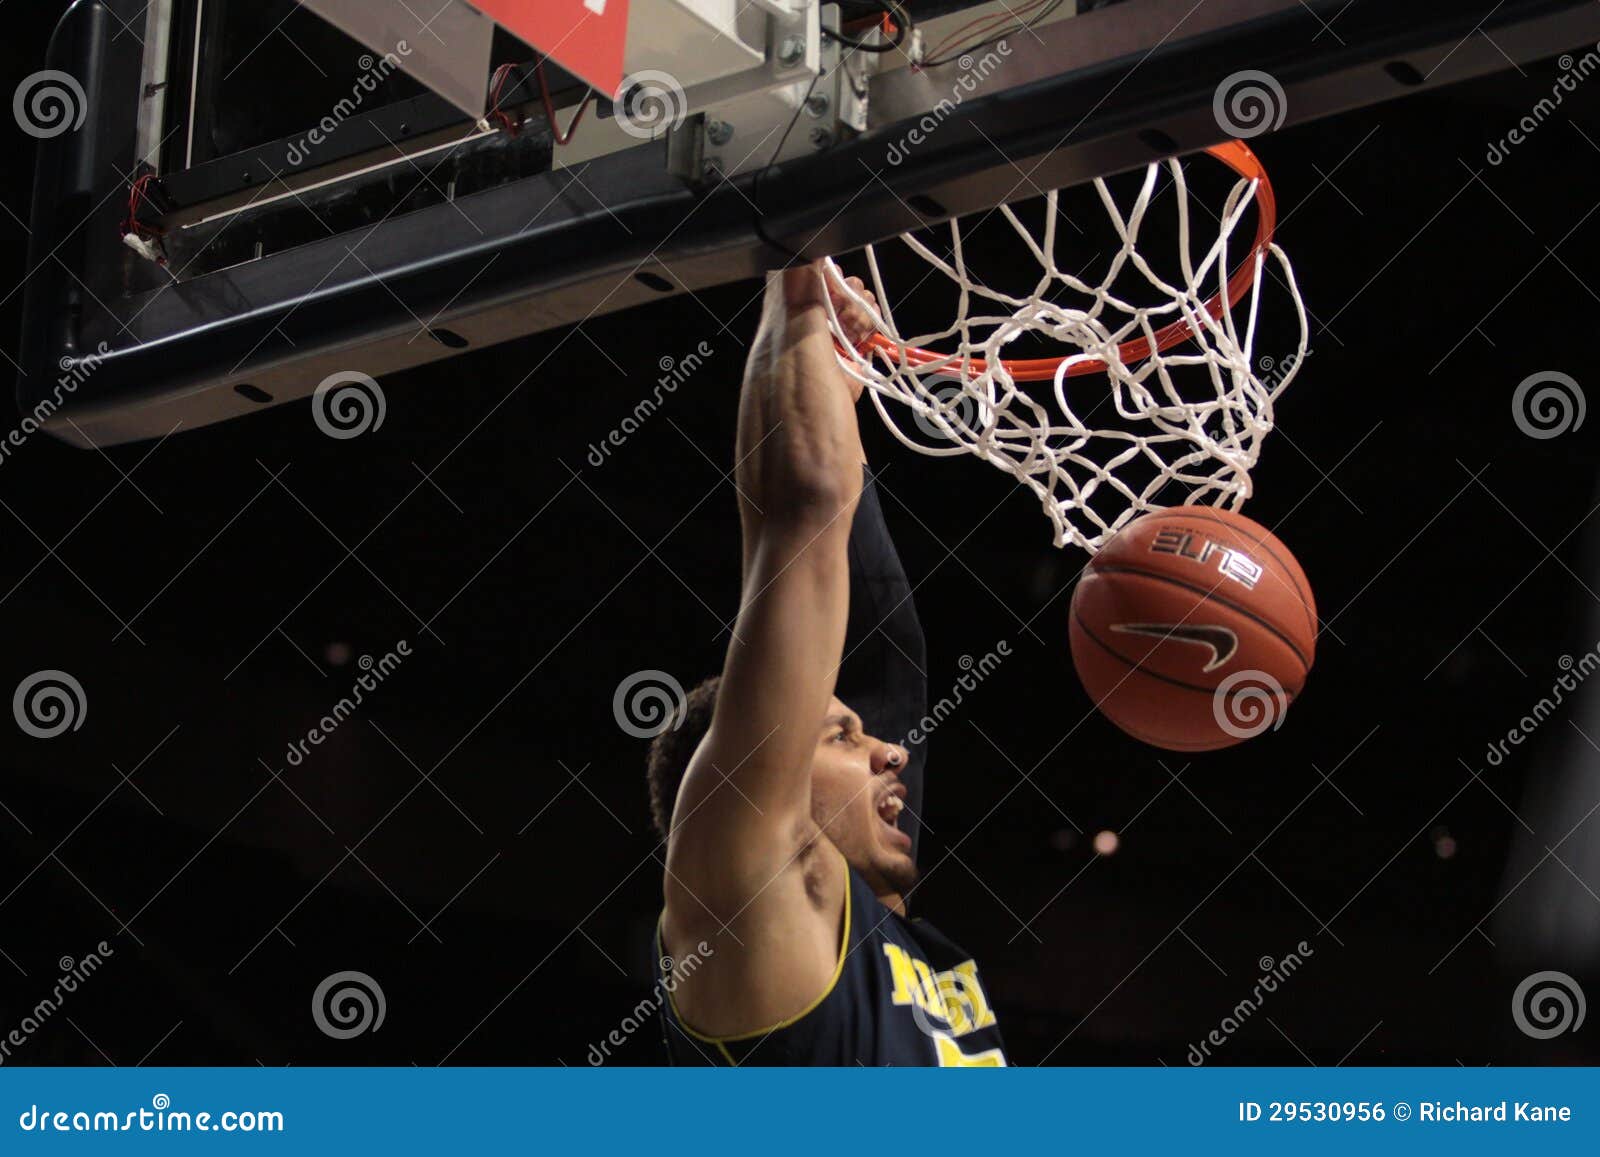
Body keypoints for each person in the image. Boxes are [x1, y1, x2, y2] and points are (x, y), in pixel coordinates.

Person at [646, 262, 1008, 1065]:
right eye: (843, 735)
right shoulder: (758, 901)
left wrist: (830, 371)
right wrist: (798, 277)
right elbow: (800, 527)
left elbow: (878, 634)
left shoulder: (867, 915)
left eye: (849, 733)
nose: (892, 746)